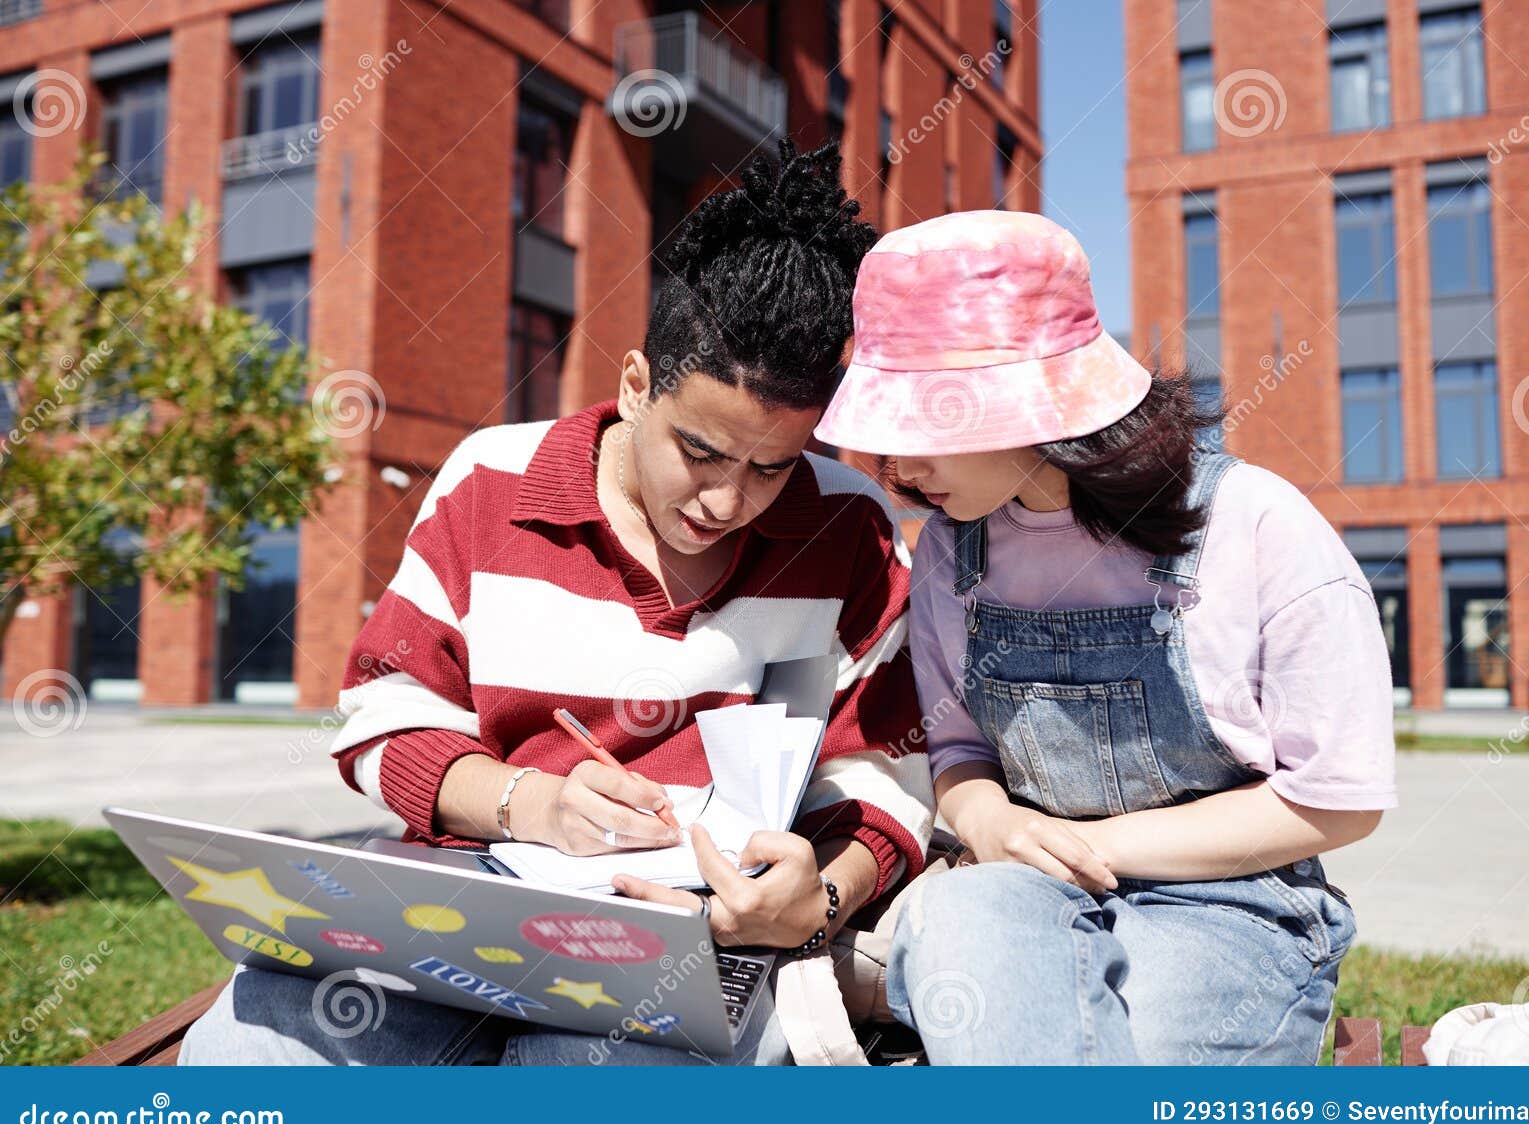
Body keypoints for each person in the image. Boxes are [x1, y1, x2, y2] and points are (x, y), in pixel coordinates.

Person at [180, 142, 932, 1067]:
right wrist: (525, 802)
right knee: (258, 1046)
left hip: (698, 939)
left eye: (771, 468)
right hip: (474, 890)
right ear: (632, 387)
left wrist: (820, 900)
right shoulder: (490, 479)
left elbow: (887, 778)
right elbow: (384, 720)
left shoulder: (848, 525)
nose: (727, 502)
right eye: (699, 452)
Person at [813, 210, 1398, 1065]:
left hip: (1236, 908)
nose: (894, 467)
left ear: (1033, 403)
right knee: (955, 920)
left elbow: (1340, 799)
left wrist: (1091, 848)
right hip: (1019, 886)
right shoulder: (949, 551)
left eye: (922, 422)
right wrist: (985, 815)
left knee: (1139, 1048)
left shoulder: (1255, 525)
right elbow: (958, 751)